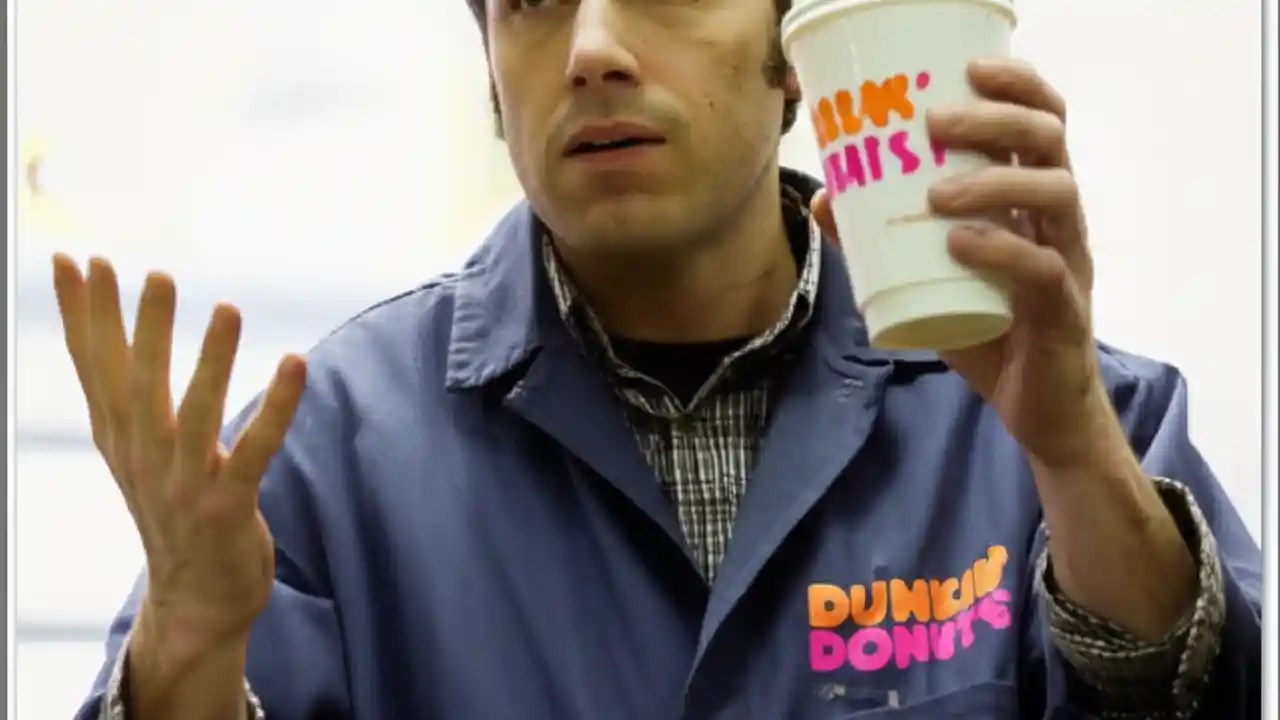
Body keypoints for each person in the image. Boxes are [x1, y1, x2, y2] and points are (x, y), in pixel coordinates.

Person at [64, 0, 1260, 717]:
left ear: (791, 57)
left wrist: (1073, 461)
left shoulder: (1067, 423)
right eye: (532, 0)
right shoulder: (321, 462)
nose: (591, 46)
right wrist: (186, 653)